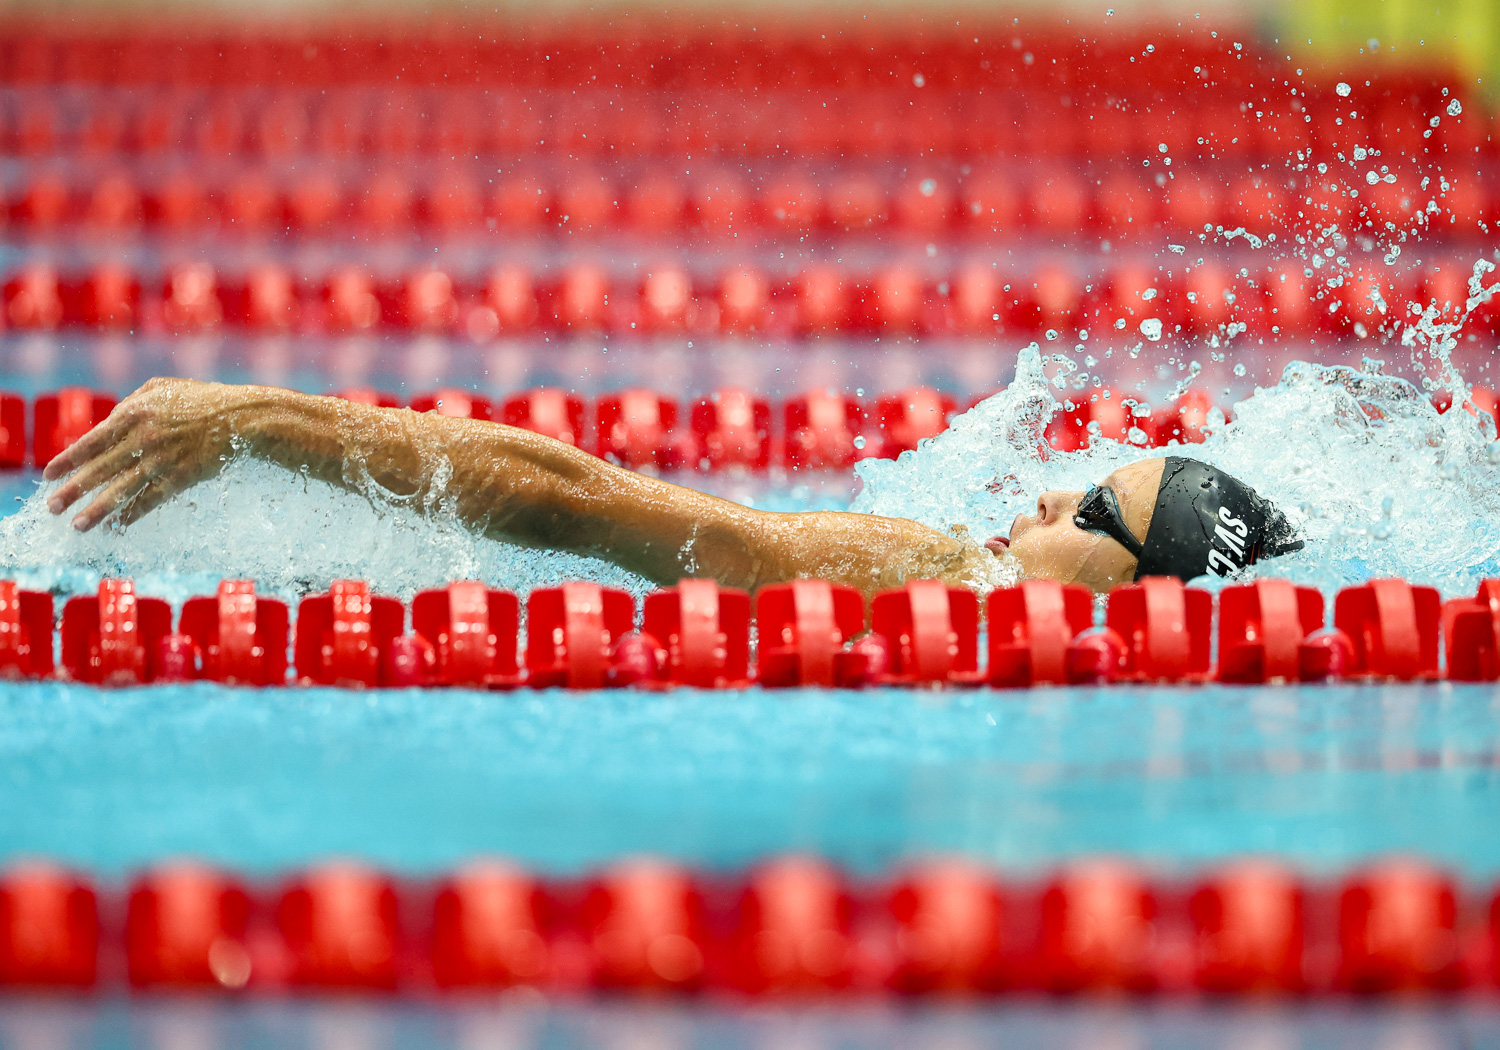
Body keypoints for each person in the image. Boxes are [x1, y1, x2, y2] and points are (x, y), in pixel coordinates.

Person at [41, 378, 1300, 596]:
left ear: (1145, 597)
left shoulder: (931, 576)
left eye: (1088, 515)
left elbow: (572, 498)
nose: (1035, 504)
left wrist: (257, 423)